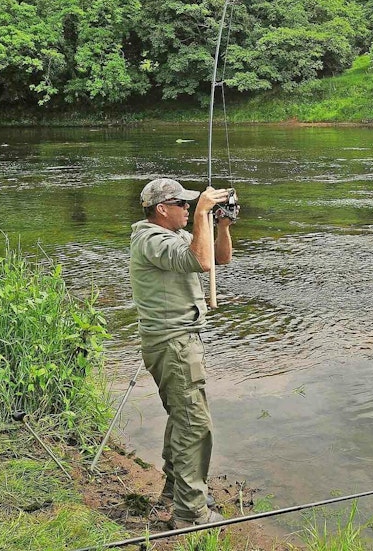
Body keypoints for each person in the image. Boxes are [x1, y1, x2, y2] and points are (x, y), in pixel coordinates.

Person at [131, 177, 233, 529]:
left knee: (182, 416)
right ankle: (190, 513)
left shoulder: (174, 235)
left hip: (180, 339)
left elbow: (219, 257)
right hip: (172, 343)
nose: (188, 209)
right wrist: (204, 209)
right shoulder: (151, 239)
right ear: (162, 209)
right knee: (194, 424)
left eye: (191, 204)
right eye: (183, 204)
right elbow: (201, 263)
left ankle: (177, 490)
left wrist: (220, 224)